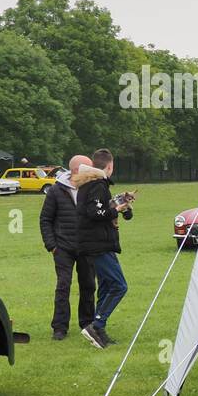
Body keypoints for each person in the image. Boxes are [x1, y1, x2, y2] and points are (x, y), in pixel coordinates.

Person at [74, 149, 134, 349]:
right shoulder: (98, 184)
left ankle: (99, 330)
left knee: (107, 286)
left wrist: (118, 200)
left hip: (97, 242)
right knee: (119, 286)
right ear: (110, 165)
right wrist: (116, 208)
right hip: (97, 244)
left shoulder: (90, 184)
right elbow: (95, 212)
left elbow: (96, 207)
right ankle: (96, 324)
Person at [39, 154, 95, 341]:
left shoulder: (93, 188)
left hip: (87, 247)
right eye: (89, 168)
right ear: (77, 170)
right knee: (63, 286)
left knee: (88, 285)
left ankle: (87, 324)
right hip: (63, 248)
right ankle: (59, 328)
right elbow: (45, 219)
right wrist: (52, 246)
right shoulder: (56, 191)